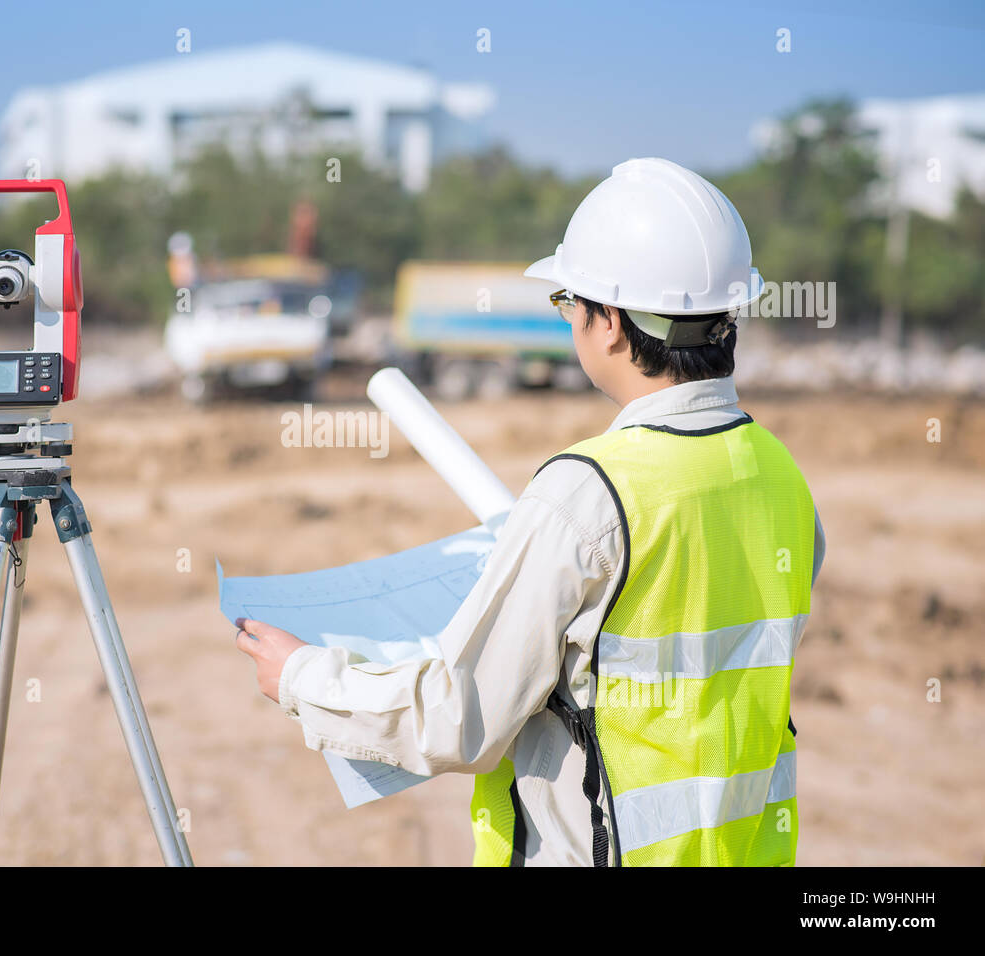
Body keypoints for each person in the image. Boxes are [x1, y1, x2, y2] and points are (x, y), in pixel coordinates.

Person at [235, 157, 825, 866]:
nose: (569, 319)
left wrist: (305, 679)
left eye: (567, 302)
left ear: (609, 322)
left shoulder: (587, 495)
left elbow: (464, 717)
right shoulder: (781, 477)